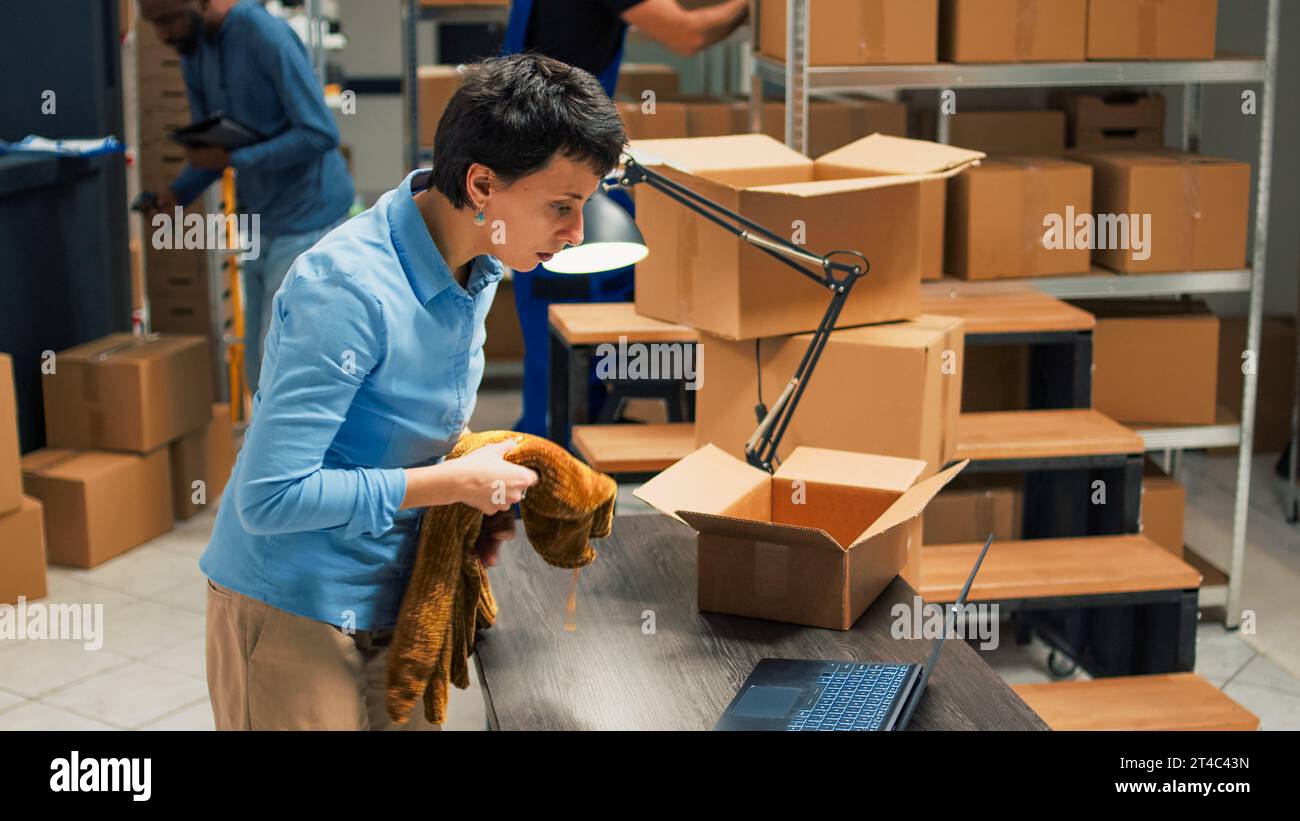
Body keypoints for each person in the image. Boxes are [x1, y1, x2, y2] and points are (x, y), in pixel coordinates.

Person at [199, 53, 627, 730]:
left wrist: (470, 493)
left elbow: (395, 423)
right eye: (562, 207)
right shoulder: (345, 290)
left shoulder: (476, 263)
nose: (575, 233)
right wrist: (451, 483)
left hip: (391, 597)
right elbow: (269, 498)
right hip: (293, 606)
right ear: (482, 183)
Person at [502, 0, 749, 438]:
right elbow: (687, 34)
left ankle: (570, 429)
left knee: (560, 307)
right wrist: (750, 7)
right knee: (568, 301)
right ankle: (559, 447)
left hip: (541, 151)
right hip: (557, 158)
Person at [138, 0, 355, 396]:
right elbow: (214, 145)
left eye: (169, 19)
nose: (163, 34)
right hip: (260, 222)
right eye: (154, 24)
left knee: (286, 368)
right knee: (259, 371)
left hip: (309, 220)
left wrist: (233, 158)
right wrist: (177, 193)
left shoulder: (264, 35)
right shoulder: (194, 49)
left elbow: (320, 133)